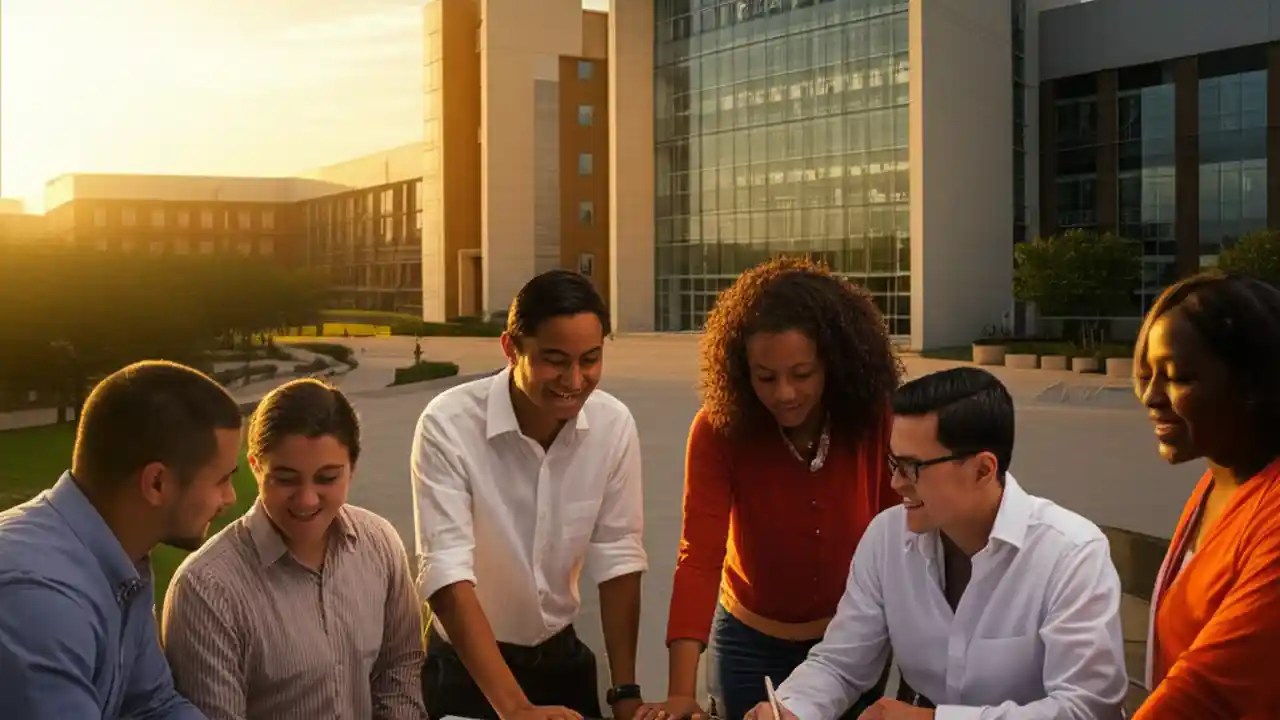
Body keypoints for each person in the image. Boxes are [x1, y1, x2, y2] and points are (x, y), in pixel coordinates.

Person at [748, 367, 1128, 720]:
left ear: (983, 470)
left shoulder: (1071, 553)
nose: (896, 483)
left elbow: (1087, 708)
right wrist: (792, 708)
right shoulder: (887, 538)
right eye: (893, 462)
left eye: (914, 467)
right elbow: (842, 663)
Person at [636, 257, 902, 720]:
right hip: (747, 647)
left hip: (852, 643)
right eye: (766, 377)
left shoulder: (874, 418)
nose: (784, 393)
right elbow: (699, 556)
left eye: (802, 374)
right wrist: (681, 692)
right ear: (741, 372)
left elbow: (904, 540)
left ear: (835, 363)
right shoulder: (717, 430)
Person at [413, 269, 648, 720]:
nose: (574, 379)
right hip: (468, 669)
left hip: (562, 661)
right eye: (555, 360)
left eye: (591, 359)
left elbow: (619, 557)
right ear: (510, 348)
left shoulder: (613, 425)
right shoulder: (448, 424)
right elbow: (446, 576)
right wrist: (515, 708)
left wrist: (625, 692)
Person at [162, 378, 426, 719]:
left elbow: (400, 667)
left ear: (352, 467)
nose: (306, 500)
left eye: (327, 478)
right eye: (285, 479)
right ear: (256, 466)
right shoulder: (206, 591)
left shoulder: (379, 543)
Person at [0, 360, 241, 718]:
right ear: (157, 483)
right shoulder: (39, 601)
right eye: (222, 479)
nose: (231, 497)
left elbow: (152, 705)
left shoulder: (118, 561)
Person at [1131, 272, 1280, 720]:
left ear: (1252, 384)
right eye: (1146, 374)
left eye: (1177, 377)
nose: (1151, 396)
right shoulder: (1218, 480)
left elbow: (1205, 693)